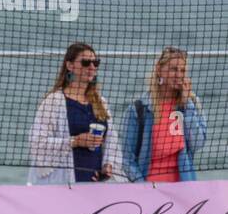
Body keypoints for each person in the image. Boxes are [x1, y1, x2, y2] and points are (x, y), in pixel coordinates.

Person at [28, 43, 121, 185]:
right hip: (64, 183)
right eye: (85, 62)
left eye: (95, 63)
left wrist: (108, 166)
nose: (92, 67)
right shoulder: (54, 101)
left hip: (95, 184)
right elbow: (37, 142)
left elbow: (112, 141)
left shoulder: (100, 102)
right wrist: (76, 141)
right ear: (70, 66)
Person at [122, 46, 208, 183]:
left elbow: (197, 143)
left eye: (182, 71)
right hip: (150, 187)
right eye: (173, 69)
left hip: (184, 185)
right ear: (159, 70)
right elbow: (127, 159)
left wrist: (187, 104)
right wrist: (143, 186)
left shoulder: (191, 104)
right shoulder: (138, 109)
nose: (179, 75)